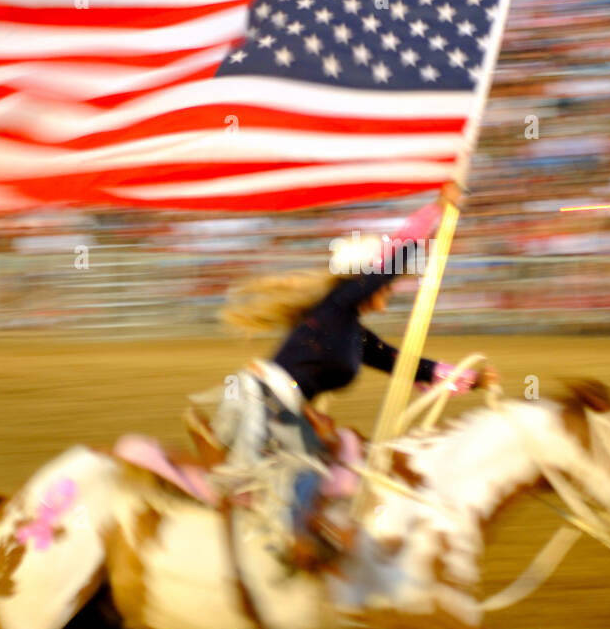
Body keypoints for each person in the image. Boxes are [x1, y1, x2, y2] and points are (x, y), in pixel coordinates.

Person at [207, 182, 498, 567]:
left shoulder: (350, 330)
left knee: (335, 457)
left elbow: (407, 365)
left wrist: (471, 380)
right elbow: (391, 263)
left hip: (278, 403)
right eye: (384, 284)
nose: (389, 289)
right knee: (308, 464)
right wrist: (438, 210)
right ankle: (286, 544)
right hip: (265, 403)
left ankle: (305, 533)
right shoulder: (338, 304)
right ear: (361, 280)